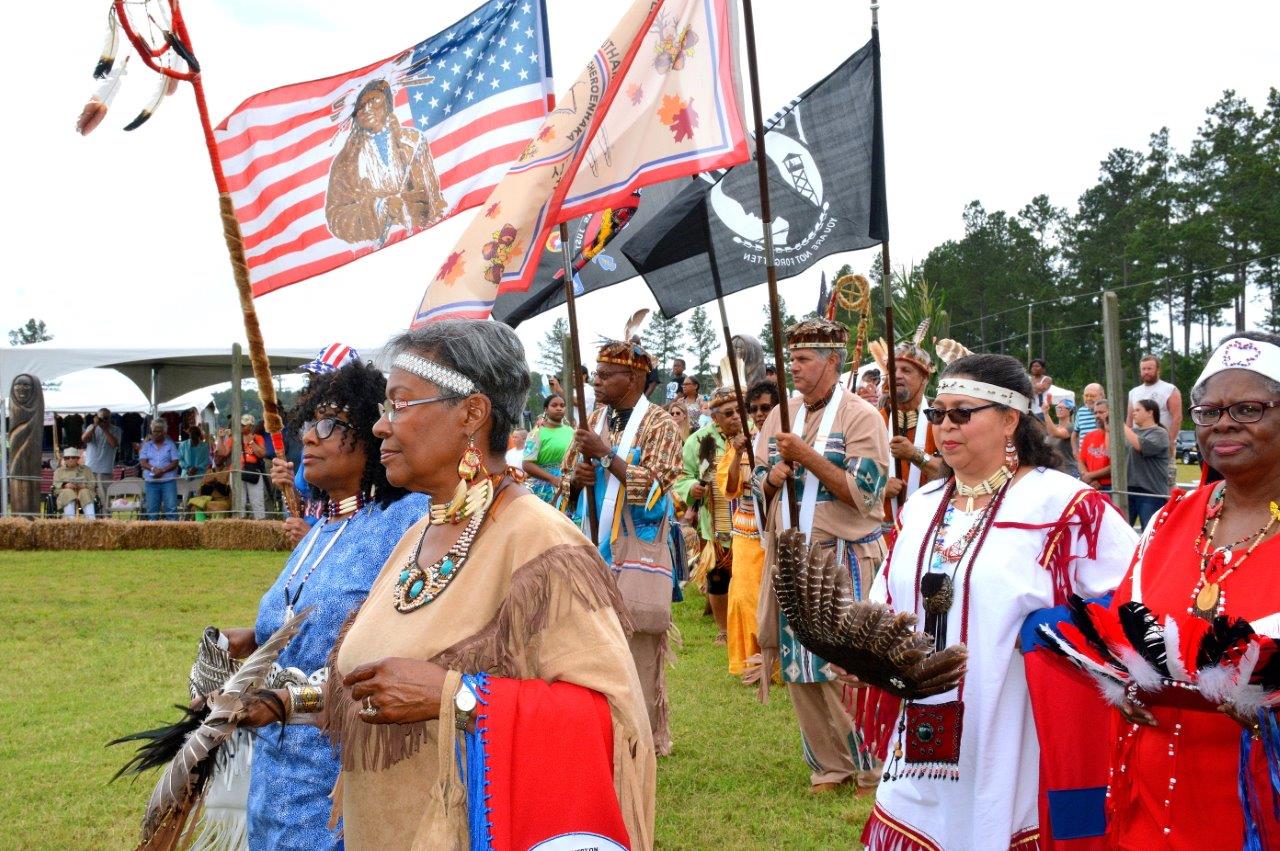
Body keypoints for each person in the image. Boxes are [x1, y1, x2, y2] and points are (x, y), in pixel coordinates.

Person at [242, 321, 653, 849]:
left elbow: (610, 720)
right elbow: (377, 681)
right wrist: (283, 702)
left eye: (399, 404)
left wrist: (456, 696)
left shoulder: (542, 545)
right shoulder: (419, 531)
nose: (380, 427)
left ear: (471, 413)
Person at [862, 353, 1137, 850]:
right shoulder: (921, 509)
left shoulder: (1064, 506)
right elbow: (886, 601)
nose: (946, 426)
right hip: (923, 720)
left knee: (996, 821)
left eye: (963, 413)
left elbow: (1134, 603)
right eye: (937, 414)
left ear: (1011, 419)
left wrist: (1049, 633)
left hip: (1015, 718)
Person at [210, 362, 429, 850]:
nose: (309, 438)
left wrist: (287, 700)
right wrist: (243, 642)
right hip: (274, 772)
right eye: (308, 422)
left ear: (371, 437)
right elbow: (299, 624)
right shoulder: (319, 532)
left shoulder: (406, 521)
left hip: (342, 773)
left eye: (329, 424)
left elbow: (400, 642)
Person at [1105, 331, 1280, 846]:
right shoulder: (1168, 521)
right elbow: (1119, 626)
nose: (1224, 422)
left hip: (1257, 807)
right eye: (1208, 411)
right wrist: (1121, 677)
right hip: (1153, 799)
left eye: (1249, 408)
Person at [752, 318, 891, 794]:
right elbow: (756, 481)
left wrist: (809, 457)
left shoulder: (861, 415)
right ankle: (829, 766)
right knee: (800, 665)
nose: (795, 369)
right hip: (794, 557)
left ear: (832, 362)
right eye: (791, 360)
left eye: (804, 360)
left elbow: (866, 494)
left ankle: (870, 765)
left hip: (844, 558)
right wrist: (772, 478)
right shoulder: (781, 414)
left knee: (845, 665)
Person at [567, 336, 682, 757]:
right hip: (590, 547)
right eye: (595, 374)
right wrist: (574, 481)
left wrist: (606, 456)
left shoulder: (660, 425)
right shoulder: (594, 419)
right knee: (589, 643)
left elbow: (654, 490)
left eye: (604, 375)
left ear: (632, 377)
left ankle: (643, 739)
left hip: (636, 549)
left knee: (638, 646)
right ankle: (600, 729)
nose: (595, 382)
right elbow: (566, 482)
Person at [324, 79, 446, 244]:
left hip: (424, 238)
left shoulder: (413, 142)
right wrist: (380, 207)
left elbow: (434, 197)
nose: (366, 109)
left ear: (388, 106)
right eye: (360, 107)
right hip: (376, 250)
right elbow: (336, 217)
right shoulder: (346, 161)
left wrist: (417, 207)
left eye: (373, 101)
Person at [675, 387, 743, 651]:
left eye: (739, 411)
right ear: (715, 418)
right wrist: (692, 488)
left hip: (750, 517)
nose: (736, 417)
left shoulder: (752, 433)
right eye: (728, 413)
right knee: (718, 576)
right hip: (716, 520)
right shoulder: (700, 440)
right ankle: (724, 630)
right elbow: (683, 475)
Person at [719, 379, 778, 678]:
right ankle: (750, 660)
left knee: (776, 596)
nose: (759, 414)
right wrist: (739, 455)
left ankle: (777, 665)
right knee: (744, 594)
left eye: (765, 408)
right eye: (753, 409)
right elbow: (728, 488)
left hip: (779, 528)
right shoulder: (742, 443)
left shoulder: (788, 439)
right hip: (746, 529)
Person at [882, 338, 945, 514]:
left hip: (929, 523)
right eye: (892, 369)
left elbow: (953, 474)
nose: (897, 375)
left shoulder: (942, 419)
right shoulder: (875, 419)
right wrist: (879, 487)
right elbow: (854, 474)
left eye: (906, 370)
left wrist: (914, 455)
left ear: (924, 378)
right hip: (881, 532)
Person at [1127, 353, 1182, 486]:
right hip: (1137, 443)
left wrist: (1171, 441)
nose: (1146, 372)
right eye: (1143, 369)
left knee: (1165, 481)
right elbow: (1129, 418)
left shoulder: (1169, 389)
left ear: (1158, 370)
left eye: (1149, 368)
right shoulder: (1134, 392)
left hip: (1159, 442)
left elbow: (1177, 417)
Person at [1124, 397, 1171, 528]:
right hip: (1128, 490)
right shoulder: (1131, 432)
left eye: (1138, 410)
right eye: (1133, 410)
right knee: (1123, 530)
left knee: (1150, 533)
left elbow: (1141, 446)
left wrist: (1120, 424)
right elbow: (1112, 453)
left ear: (1150, 413)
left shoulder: (1160, 433)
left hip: (1151, 493)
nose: (1133, 413)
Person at [521, 393, 575, 506]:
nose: (559, 408)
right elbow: (527, 464)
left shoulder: (571, 431)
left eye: (562, 405)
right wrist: (552, 479)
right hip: (542, 488)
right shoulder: (536, 433)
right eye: (554, 405)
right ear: (546, 409)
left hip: (570, 485)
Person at [227, 414, 268, 520]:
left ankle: (260, 525)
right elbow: (223, 453)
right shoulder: (233, 438)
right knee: (239, 503)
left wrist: (251, 442)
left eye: (243, 425)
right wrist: (222, 438)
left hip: (253, 471)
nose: (240, 427)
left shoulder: (258, 438)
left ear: (250, 426)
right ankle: (241, 526)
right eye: (240, 424)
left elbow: (262, 454)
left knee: (257, 502)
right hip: (236, 472)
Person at [139, 419, 180, 520]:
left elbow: (175, 462)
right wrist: (153, 469)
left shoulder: (170, 444)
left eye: (159, 431)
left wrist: (163, 470)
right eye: (154, 431)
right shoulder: (147, 445)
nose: (156, 434)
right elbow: (142, 461)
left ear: (164, 432)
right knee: (152, 511)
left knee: (171, 510)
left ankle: (173, 533)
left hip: (168, 481)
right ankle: (153, 534)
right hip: (151, 482)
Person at [82, 407, 121, 502]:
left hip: (105, 469)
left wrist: (105, 429)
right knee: (89, 496)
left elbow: (114, 444)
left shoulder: (116, 430)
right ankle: (91, 515)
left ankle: (106, 516)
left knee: (106, 497)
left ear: (110, 418)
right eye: (101, 418)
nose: (104, 420)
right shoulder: (91, 427)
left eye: (106, 418)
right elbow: (84, 439)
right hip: (90, 468)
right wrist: (95, 425)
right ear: (96, 417)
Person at [1078, 398, 1112, 496]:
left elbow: (1115, 466)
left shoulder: (1117, 436)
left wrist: (1090, 476)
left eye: (1101, 412)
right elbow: (1081, 461)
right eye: (1095, 413)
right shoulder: (1089, 435)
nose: (1097, 415)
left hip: (1110, 487)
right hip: (1091, 485)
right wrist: (1087, 477)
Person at [53, 447, 96, 518]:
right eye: (67, 458)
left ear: (77, 459)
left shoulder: (86, 470)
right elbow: (55, 486)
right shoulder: (59, 471)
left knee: (85, 492)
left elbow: (93, 484)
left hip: (83, 493)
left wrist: (84, 486)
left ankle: (91, 520)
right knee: (68, 492)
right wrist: (65, 485)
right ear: (64, 459)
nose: (70, 459)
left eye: (73, 457)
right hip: (66, 494)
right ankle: (70, 520)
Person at [1044, 396, 1080, 477]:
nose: (1059, 410)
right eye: (1057, 407)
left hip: (1068, 471)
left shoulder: (1072, 427)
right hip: (1053, 470)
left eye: (1062, 408)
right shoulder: (1053, 427)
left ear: (1070, 410)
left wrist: (1046, 413)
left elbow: (1055, 434)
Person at [1072, 381, 1103, 459]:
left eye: (1092, 396)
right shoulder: (1081, 412)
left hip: (1102, 455)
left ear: (1102, 396)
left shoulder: (1109, 410)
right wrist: (1075, 451)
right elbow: (1074, 435)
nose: (1089, 398)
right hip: (1084, 457)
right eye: (1086, 395)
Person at [1029, 357, 1052, 422]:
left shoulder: (1047, 379)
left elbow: (1041, 389)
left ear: (1043, 369)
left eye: (1037, 366)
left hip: (1041, 410)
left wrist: (1030, 387)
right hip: (1029, 409)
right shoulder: (1028, 379)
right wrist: (1037, 387)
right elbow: (1036, 390)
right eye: (1033, 366)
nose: (1034, 368)